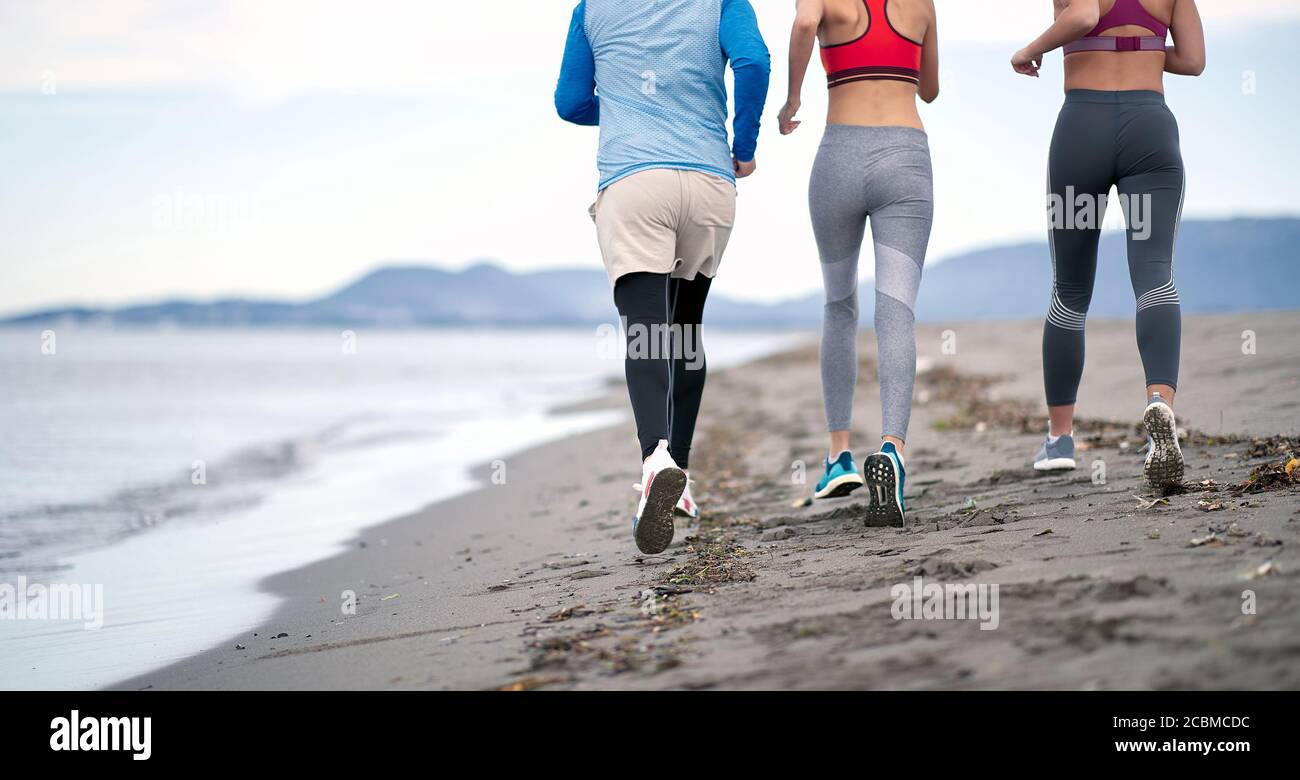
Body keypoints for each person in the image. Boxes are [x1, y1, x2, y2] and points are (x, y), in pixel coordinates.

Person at [555, 0, 771, 553]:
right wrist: (743, 145)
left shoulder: (590, 8)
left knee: (645, 329)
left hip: (635, 183)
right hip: (707, 184)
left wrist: (633, 106)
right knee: (684, 331)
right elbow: (752, 62)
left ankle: (656, 458)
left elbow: (570, 102)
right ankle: (680, 479)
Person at [1012, 0, 1205, 489]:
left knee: (1070, 292)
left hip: (1083, 131)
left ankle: (1059, 441)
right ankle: (1160, 405)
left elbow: (1080, 18)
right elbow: (1195, 59)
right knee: (1155, 274)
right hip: (1150, 131)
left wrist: (1030, 51)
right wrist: (1142, 50)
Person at [779, 0, 939, 526]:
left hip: (838, 157)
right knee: (896, 310)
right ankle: (891, 449)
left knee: (839, 305)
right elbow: (930, 89)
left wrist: (793, 97)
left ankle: (838, 455)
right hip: (906, 157)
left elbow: (805, 23)